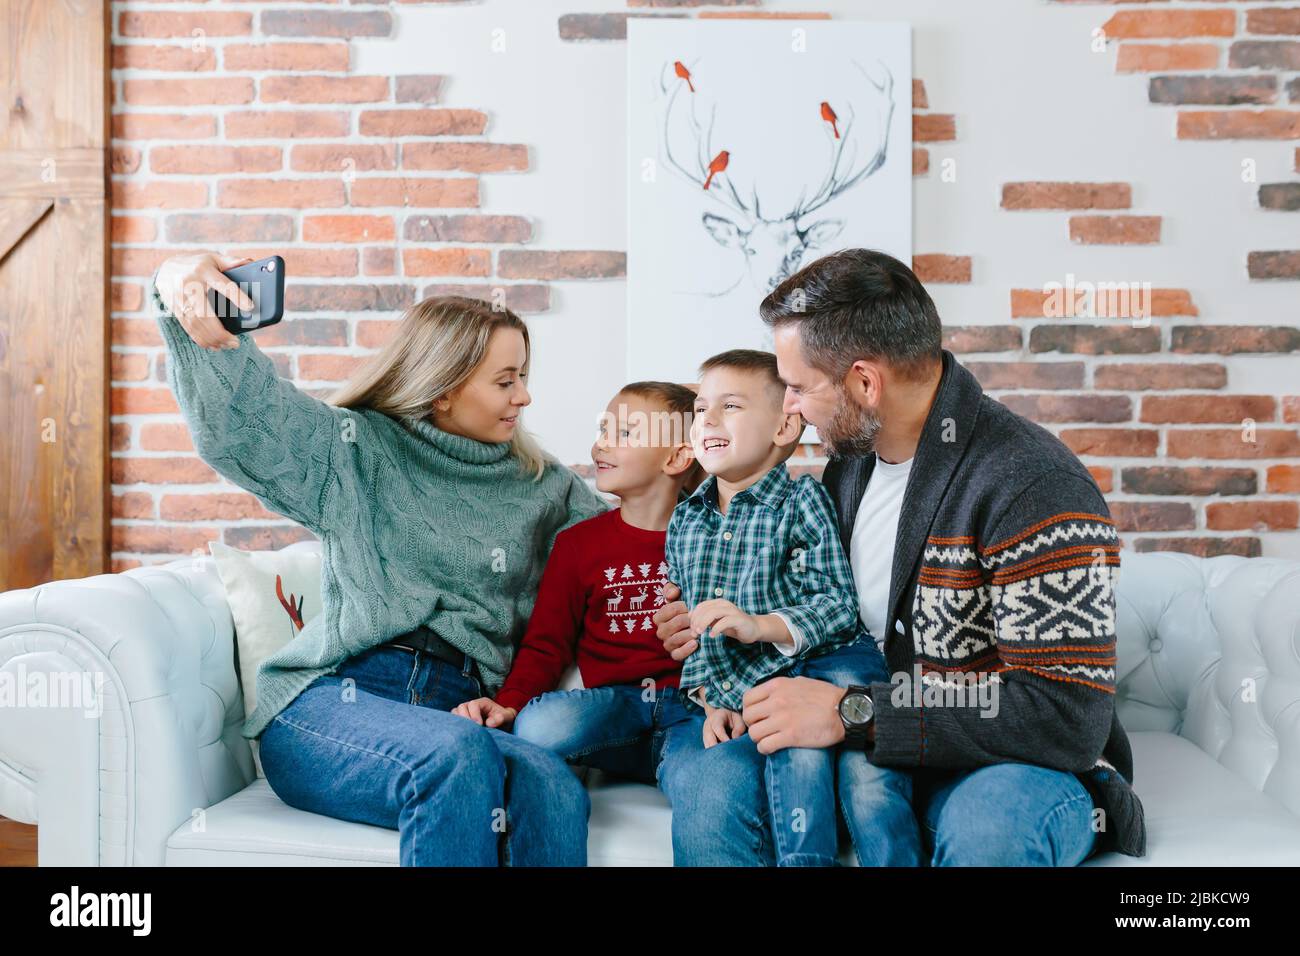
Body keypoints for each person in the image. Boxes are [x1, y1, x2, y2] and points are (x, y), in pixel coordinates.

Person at [654, 248, 1146, 865]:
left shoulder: (1030, 482)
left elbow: (1061, 715)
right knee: (708, 782)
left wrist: (856, 713)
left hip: (1005, 767)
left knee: (989, 831)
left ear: (864, 382)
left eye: (800, 387)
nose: (792, 408)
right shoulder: (850, 470)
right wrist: (714, 632)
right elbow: (815, 614)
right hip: (863, 752)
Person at [151, 251, 607, 866]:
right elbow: (243, 423)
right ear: (443, 389)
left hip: (462, 707)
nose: (525, 396)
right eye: (506, 380)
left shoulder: (547, 488)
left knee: (552, 784)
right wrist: (174, 282)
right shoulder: (357, 449)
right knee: (456, 755)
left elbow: (631, 550)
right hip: (338, 701)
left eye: (524, 375)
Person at [655, 349, 919, 867]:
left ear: (783, 427)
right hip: (766, 688)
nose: (706, 419)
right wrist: (713, 701)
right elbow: (698, 634)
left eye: (729, 406)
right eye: (700, 408)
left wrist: (759, 626)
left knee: (869, 781)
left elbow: (837, 604)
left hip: (837, 661)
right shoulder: (684, 522)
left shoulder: (803, 500)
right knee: (794, 757)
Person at [451, 382, 702, 786]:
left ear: (675, 457)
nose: (601, 445)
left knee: (711, 771)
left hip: (692, 706)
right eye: (603, 431)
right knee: (539, 726)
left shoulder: (713, 540)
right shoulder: (578, 545)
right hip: (613, 707)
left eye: (623, 433)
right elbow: (546, 645)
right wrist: (509, 705)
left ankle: (675, 763)